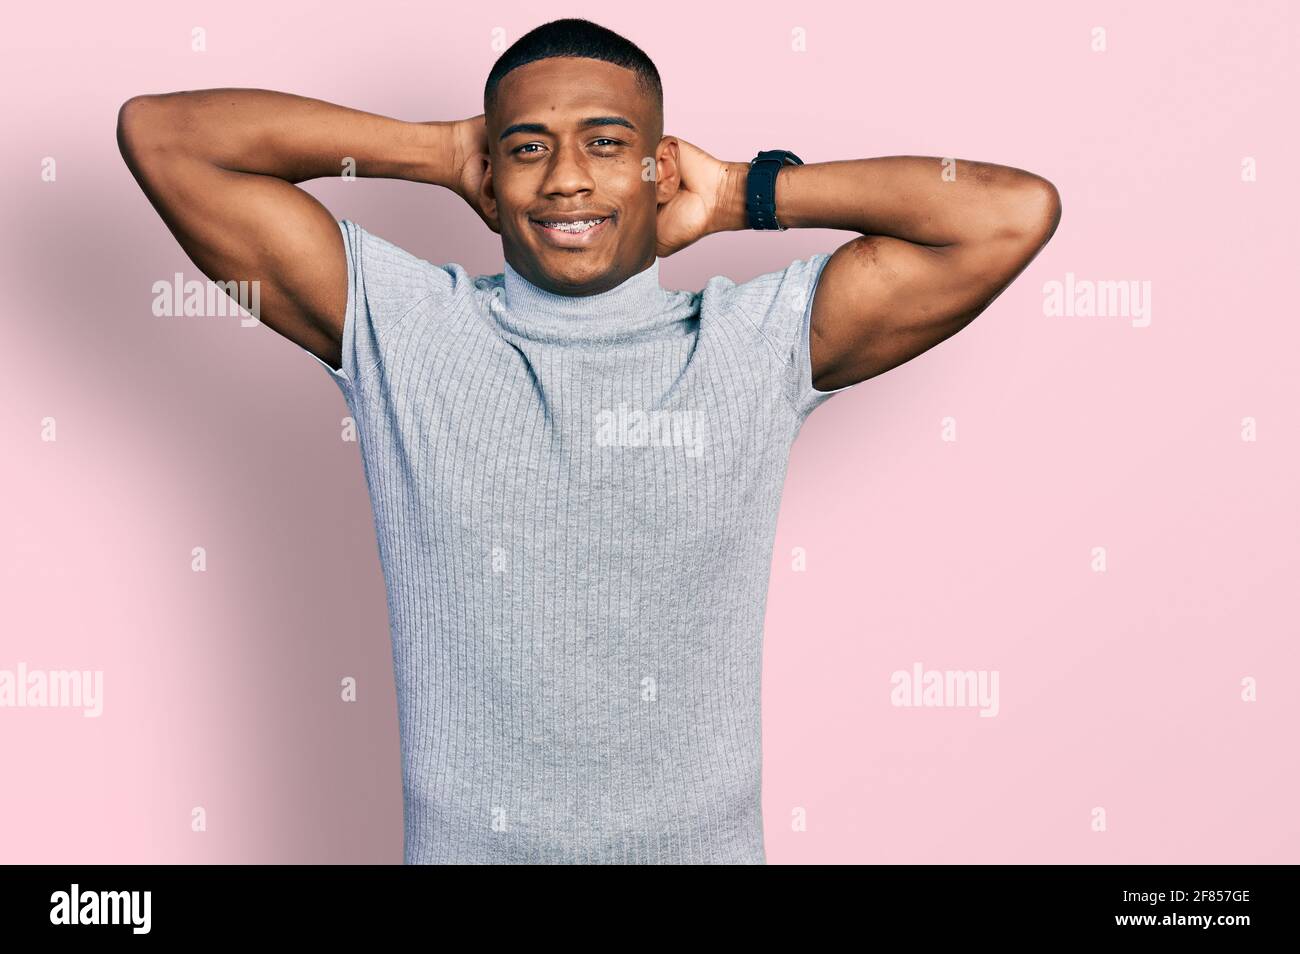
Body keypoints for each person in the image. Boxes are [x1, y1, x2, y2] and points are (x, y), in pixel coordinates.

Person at [116, 17, 1060, 864]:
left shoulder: (754, 341)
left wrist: (742, 191)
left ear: (660, 167)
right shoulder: (406, 329)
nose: (567, 177)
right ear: (494, 173)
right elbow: (164, 138)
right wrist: (444, 151)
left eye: (606, 145)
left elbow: (1010, 213)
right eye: (528, 148)